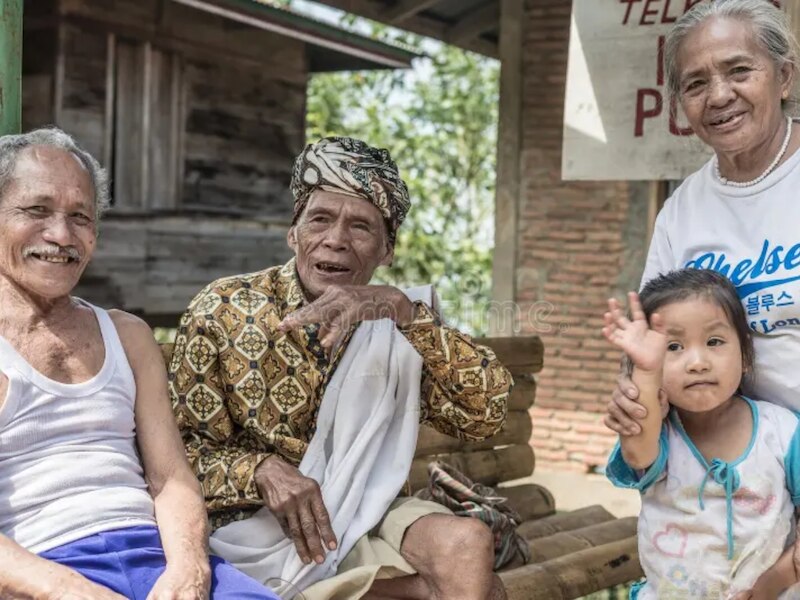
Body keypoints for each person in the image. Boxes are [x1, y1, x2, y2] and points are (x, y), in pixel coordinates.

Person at [168, 136, 512, 600]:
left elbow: (485, 414)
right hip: (247, 526)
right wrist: (261, 469)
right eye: (320, 219)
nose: (336, 239)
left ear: (387, 249)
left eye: (361, 227)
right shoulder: (223, 309)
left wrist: (405, 314)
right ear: (294, 233)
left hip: (363, 513)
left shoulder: (400, 321)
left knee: (467, 544)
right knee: (482, 591)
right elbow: (177, 454)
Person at [0, 127, 279, 599]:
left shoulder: (127, 336)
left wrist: (189, 572)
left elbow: (170, 477)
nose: (60, 235)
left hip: (155, 555)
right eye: (36, 210)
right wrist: (69, 590)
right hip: (40, 567)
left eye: (81, 217)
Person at [604, 269, 800, 599]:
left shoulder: (783, 433)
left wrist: (771, 584)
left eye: (714, 342)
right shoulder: (659, 435)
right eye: (674, 346)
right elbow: (637, 453)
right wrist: (647, 372)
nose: (697, 362)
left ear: (745, 354)